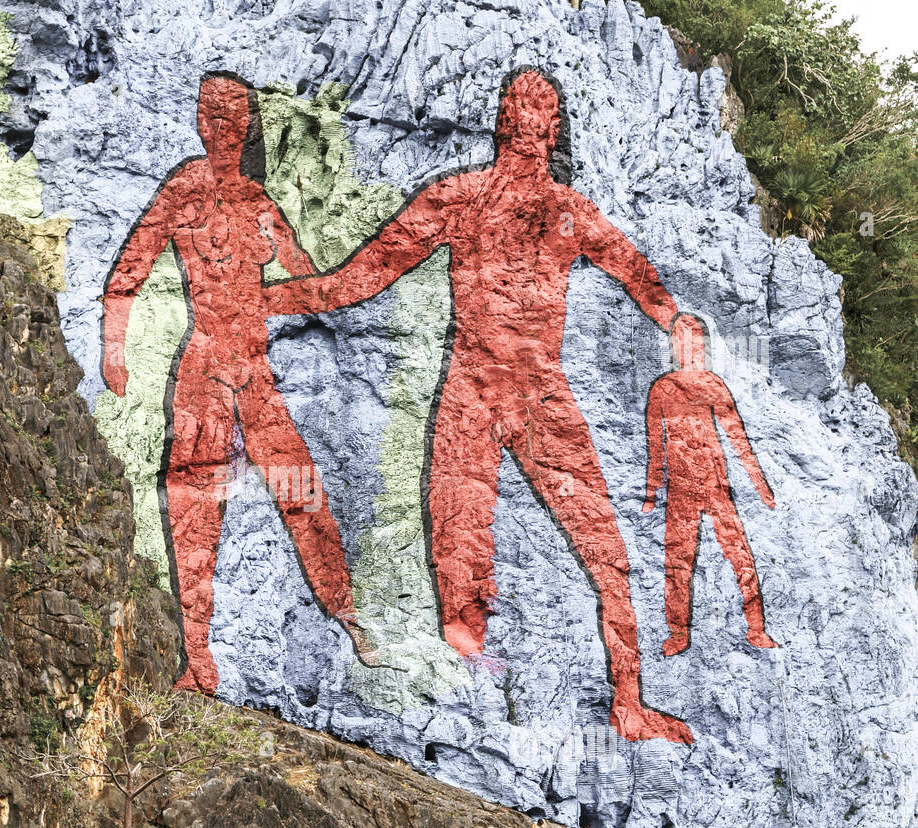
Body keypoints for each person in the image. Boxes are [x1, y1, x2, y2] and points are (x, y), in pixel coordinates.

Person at [264, 67, 693, 744]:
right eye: (519, 104)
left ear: (553, 128)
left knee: (607, 551)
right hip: (472, 388)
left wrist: (675, 319)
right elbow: (358, 278)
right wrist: (273, 299)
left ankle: (628, 703)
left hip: (541, 392)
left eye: (542, 107)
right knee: (458, 553)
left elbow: (634, 269)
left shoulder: (567, 213)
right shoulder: (458, 198)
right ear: (502, 118)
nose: (529, 116)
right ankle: (465, 691)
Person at [102, 71, 376, 695]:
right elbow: (129, 270)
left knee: (301, 486)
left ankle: (348, 615)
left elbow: (310, 282)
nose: (223, 128)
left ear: (247, 126)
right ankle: (194, 653)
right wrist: (115, 348)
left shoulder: (259, 204)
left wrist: (274, 295)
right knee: (195, 502)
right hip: (203, 369)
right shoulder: (183, 190)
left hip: (255, 371)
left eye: (234, 117)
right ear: (200, 122)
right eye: (212, 115)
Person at [644, 313, 778, 655]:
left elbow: (738, 439)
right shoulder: (662, 389)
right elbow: (655, 447)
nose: (686, 345)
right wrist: (649, 493)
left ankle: (756, 628)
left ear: (702, 344)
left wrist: (761, 487)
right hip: (680, 492)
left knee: (740, 556)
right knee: (677, 563)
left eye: (693, 338)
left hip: (716, 486)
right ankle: (678, 634)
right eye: (679, 337)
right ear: (672, 345)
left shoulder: (713, 385)